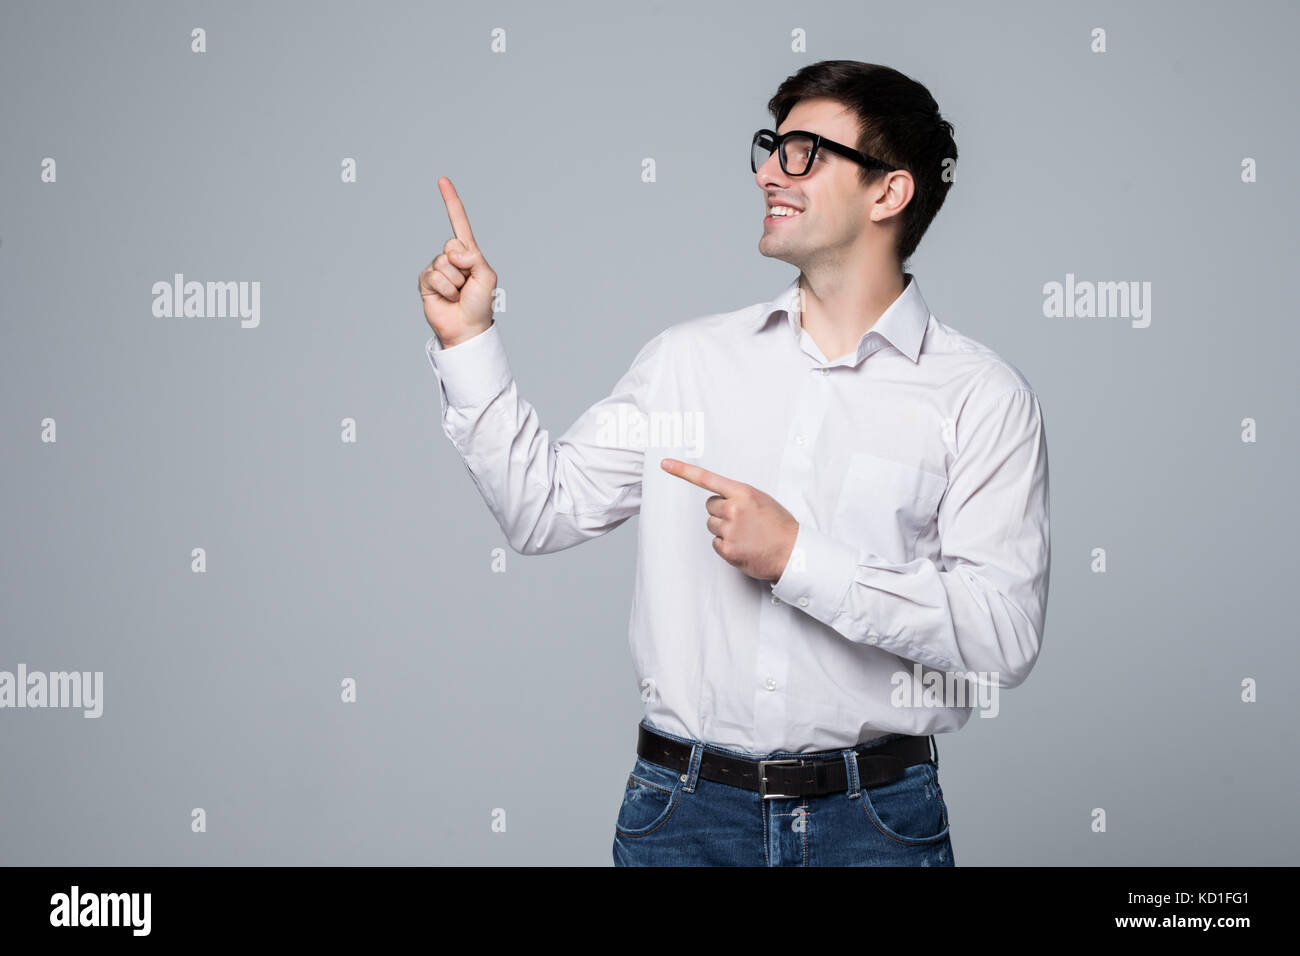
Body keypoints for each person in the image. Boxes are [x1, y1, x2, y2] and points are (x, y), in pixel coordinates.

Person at [418, 60, 1050, 866]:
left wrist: (798, 558)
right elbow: (541, 510)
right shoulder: (688, 363)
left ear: (889, 193)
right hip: (683, 818)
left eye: (803, 154)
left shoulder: (980, 396)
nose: (765, 174)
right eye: (769, 148)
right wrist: (468, 340)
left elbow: (1001, 638)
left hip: (879, 826)